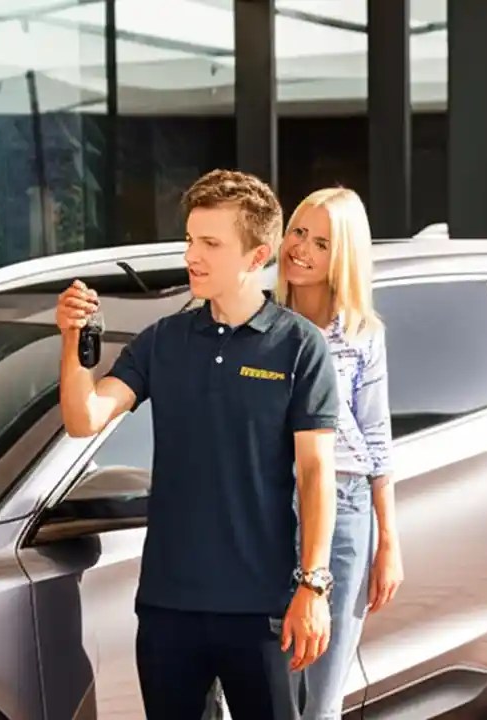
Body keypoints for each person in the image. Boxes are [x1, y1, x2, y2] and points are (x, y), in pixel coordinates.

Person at [56, 169, 341, 720]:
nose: (193, 255)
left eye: (211, 243)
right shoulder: (163, 341)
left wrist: (314, 587)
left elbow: (315, 474)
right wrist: (72, 344)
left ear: (257, 257)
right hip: (169, 608)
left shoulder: (298, 347)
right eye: (190, 239)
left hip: (263, 609)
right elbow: (83, 418)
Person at [276, 187, 403, 718]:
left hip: (346, 511)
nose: (301, 248)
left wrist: (389, 543)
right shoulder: (260, 324)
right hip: (269, 510)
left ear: (343, 255)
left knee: (321, 700)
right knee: (268, 689)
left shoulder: (362, 334)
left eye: (321, 242)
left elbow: (376, 437)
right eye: (299, 232)